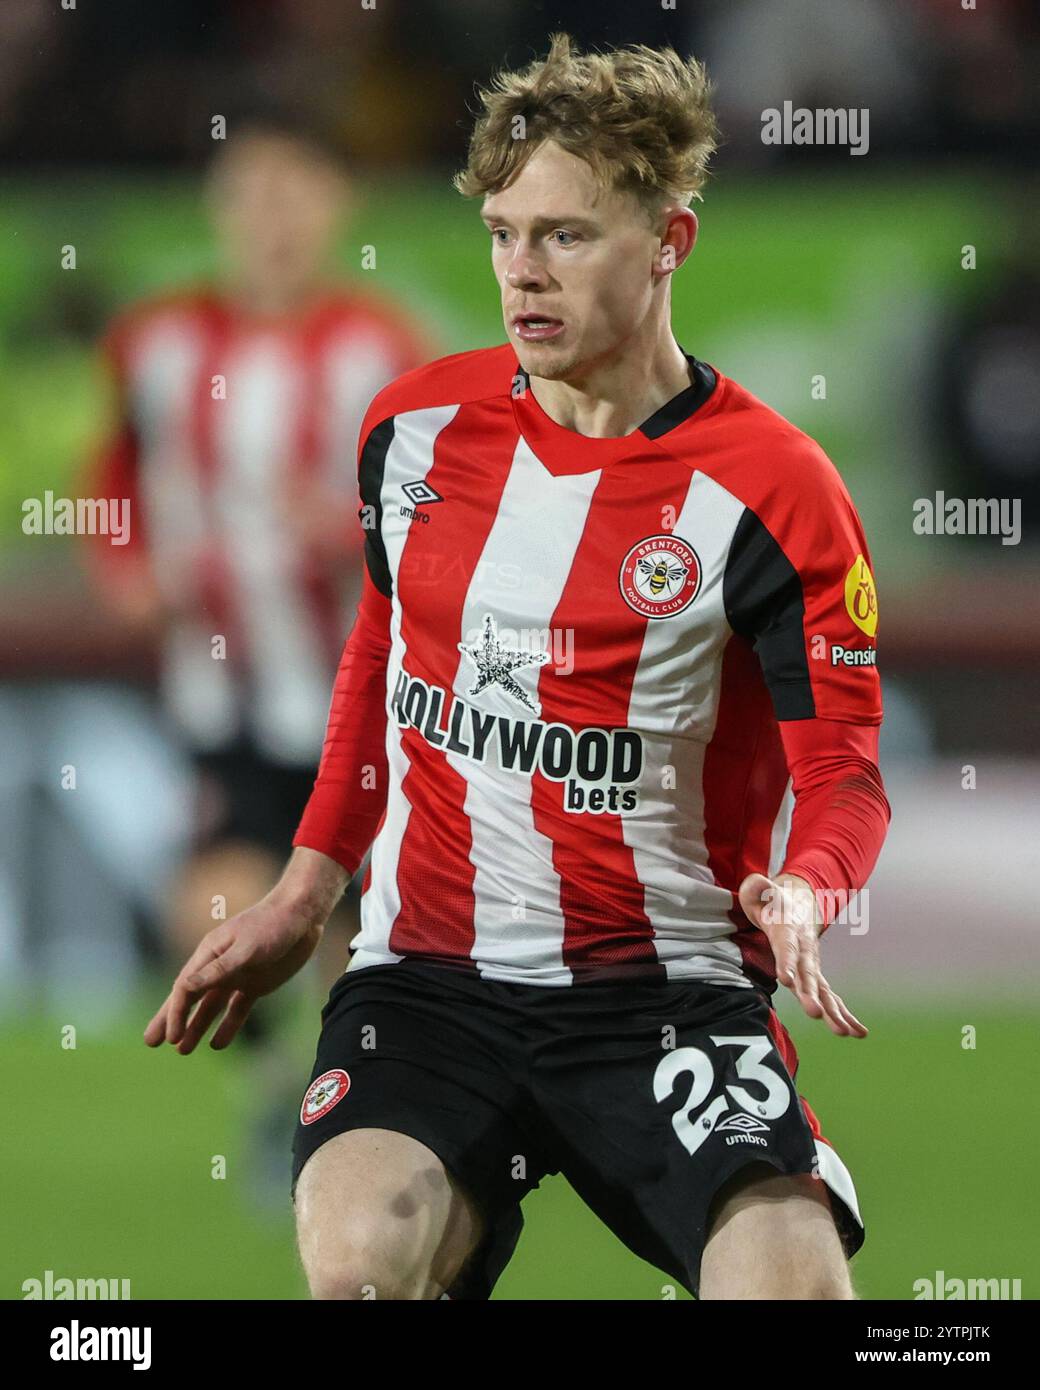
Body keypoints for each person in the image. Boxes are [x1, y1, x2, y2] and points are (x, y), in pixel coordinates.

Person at [145, 35, 891, 1299]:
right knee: (359, 1262)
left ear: (670, 241)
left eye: (564, 236)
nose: (520, 275)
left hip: (665, 993)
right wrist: (307, 887)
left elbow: (845, 771)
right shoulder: (415, 428)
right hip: (430, 983)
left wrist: (809, 886)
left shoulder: (776, 491)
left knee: (796, 1289)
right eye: (502, 233)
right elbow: (379, 667)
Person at [87, 112, 431, 1196]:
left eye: (296, 191)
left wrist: (340, 526)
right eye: (251, 192)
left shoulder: (382, 346)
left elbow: (434, 504)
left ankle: (338, 1120)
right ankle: (287, 1074)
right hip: (225, 692)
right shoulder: (158, 343)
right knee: (217, 905)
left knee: (357, 931)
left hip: (358, 694)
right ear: (219, 209)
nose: (273, 218)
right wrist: (126, 571)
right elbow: (113, 479)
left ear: (338, 208)